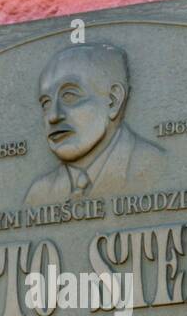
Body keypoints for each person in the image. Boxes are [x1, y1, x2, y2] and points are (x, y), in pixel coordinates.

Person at [23, 42, 164, 206]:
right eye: (46, 103)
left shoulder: (161, 169)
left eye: (69, 96)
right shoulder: (38, 195)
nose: (53, 116)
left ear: (113, 101)